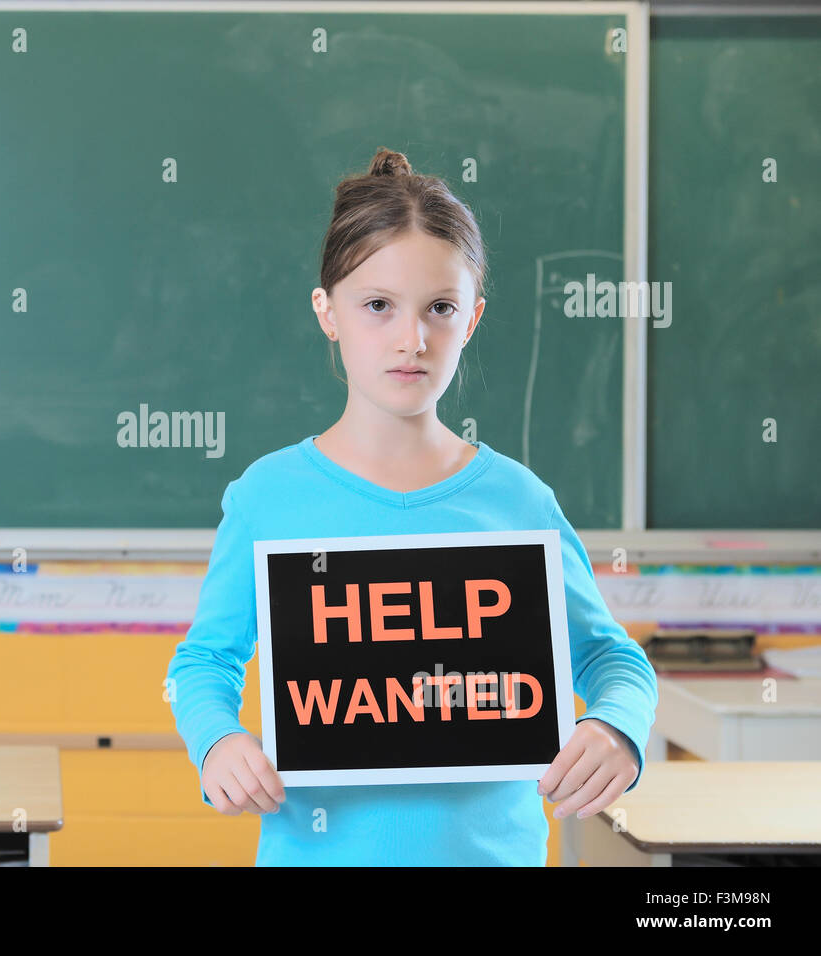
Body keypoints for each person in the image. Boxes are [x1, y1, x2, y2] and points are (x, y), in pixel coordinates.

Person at [165, 147, 658, 866]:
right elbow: (204, 659)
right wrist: (218, 740)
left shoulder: (519, 501)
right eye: (377, 306)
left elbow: (612, 658)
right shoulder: (268, 498)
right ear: (326, 311)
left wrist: (618, 727)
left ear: (473, 319)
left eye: (441, 308)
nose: (412, 339)